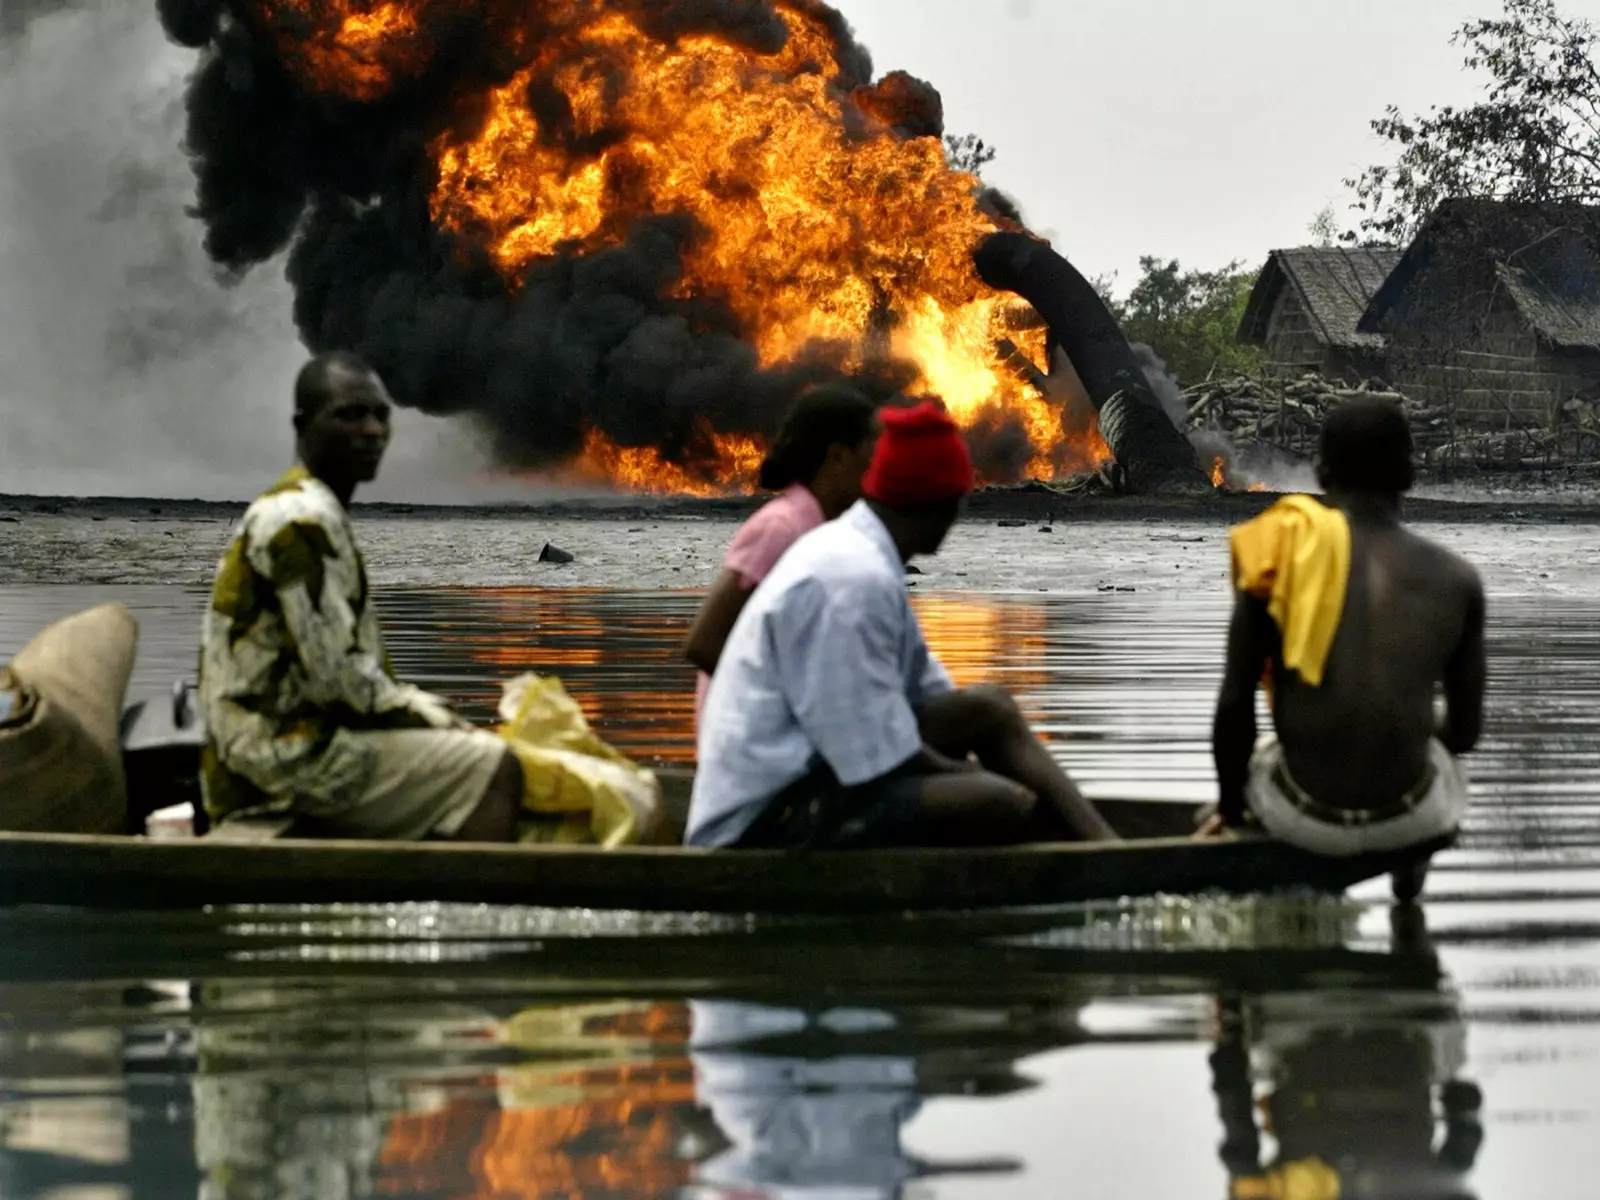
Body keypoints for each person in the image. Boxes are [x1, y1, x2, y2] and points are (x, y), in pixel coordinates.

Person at [686, 400, 1117, 850]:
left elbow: (929, 692)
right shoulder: (851, 578)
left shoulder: (872, 558)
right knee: (998, 801)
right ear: (941, 507)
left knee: (991, 708)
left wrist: (974, 753)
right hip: (769, 812)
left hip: (821, 762)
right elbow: (864, 749)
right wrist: (959, 773)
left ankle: (1109, 852)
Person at [197, 351, 523, 841]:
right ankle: (468, 907)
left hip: (278, 743)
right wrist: (445, 720)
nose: (372, 430)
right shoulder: (301, 522)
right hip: (273, 761)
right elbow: (341, 682)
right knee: (494, 765)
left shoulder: (312, 510)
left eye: (380, 415)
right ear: (303, 427)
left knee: (450, 753)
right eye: (350, 415)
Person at [1207, 398, 1486, 874]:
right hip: (1409, 818)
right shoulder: (1457, 580)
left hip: (1302, 817)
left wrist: (1232, 811)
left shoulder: (1279, 559)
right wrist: (1407, 733)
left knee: (1263, 753)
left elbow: (1234, 712)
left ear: (1321, 474)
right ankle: (1408, 888)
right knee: (1445, 763)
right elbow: (1463, 733)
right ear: (1409, 477)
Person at [683, 385, 880, 727]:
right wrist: (792, 705)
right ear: (837, 457)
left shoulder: (828, 529)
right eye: (869, 457)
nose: (877, 468)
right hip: (753, 738)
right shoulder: (782, 528)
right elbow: (704, 643)